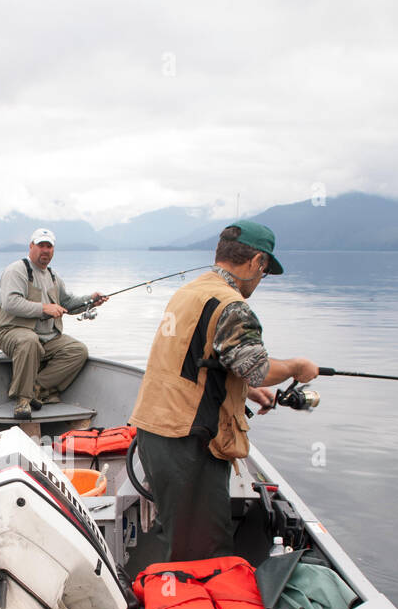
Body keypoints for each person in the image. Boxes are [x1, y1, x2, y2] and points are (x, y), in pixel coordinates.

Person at [129, 220, 318, 560]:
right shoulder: (231, 304)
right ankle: (189, 604)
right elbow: (258, 368)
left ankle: (171, 595)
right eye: (265, 270)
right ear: (257, 261)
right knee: (203, 551)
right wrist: (296, 367)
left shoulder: (191, 292)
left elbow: (195, 361)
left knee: (179, 535)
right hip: (189, 443)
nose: (262, 279)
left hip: (156, 431)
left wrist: (242, 390)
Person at [0, 229, 106, 419]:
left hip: (47, 337)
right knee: (29, 341)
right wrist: (44, 308)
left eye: (49, 246)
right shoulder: (17, 270)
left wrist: (91, 300)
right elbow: (10, 303)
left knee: (78, 350)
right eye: (41, 245)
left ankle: (37, 388)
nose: (45, 250)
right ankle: (22, 400)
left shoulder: (54, 276)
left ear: (53, 250)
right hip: (11, 331)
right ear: (31, 246)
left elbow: (68, 303)